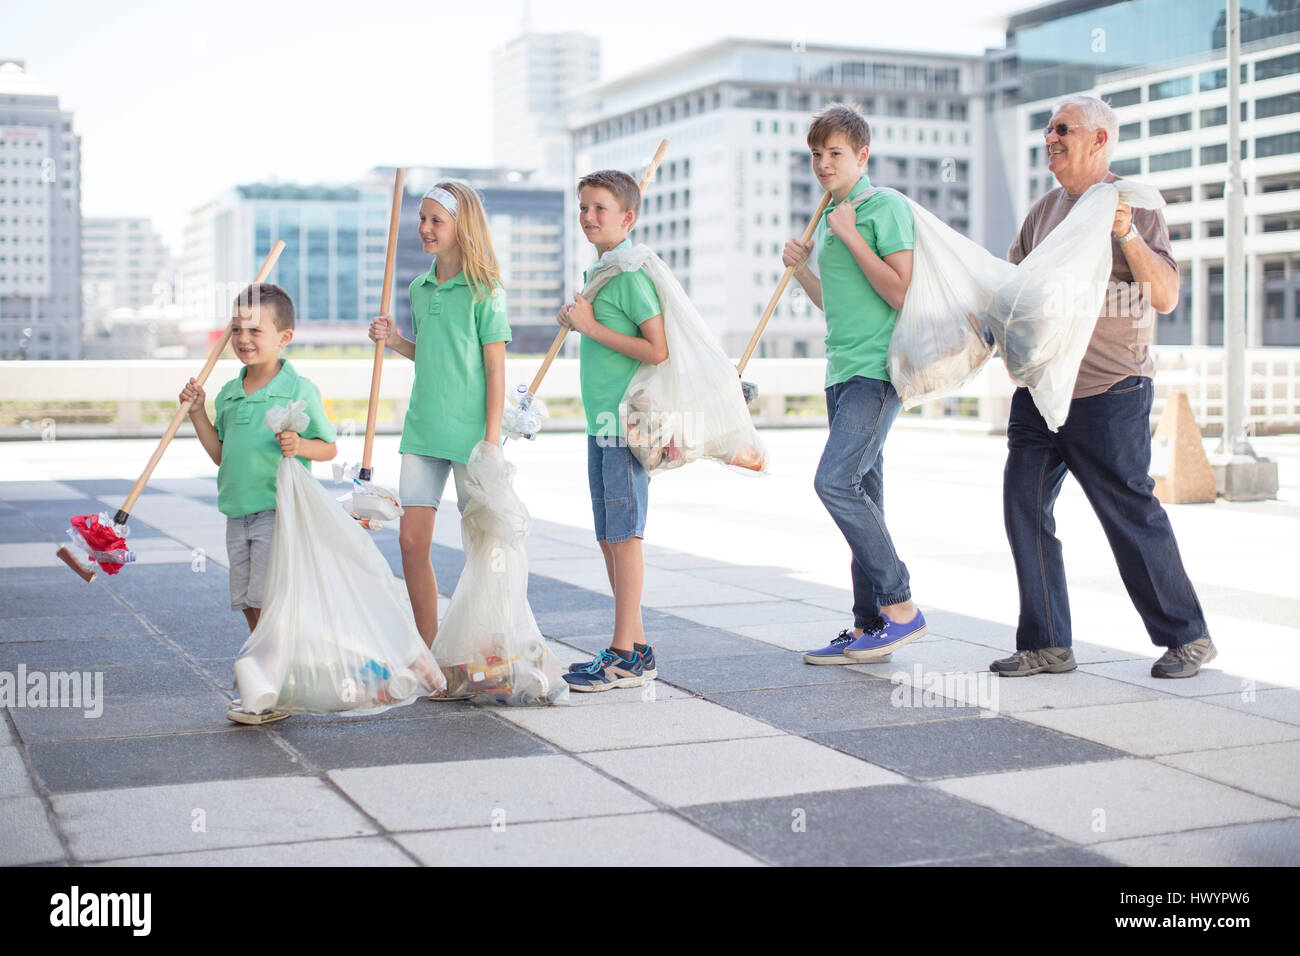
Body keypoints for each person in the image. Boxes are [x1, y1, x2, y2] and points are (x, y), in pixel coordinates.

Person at [992, 94, 1216, 679]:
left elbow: (1165, 295)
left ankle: (1186, 637)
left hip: (1109, 387)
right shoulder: (1042, 211)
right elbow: (1014, 289)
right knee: (1023, 506)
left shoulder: (1132, 203)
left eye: (1064, 130)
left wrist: (1128, 238)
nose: (1051, 139)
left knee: (1126, 510)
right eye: (1048, 130)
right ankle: (1046, 642)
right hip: (1042, 391)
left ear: (1099, 140)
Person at [782, 103, 927, 667]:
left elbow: (900, 290)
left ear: (862, 156)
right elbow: (834, 306)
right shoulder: (833, 218)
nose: (823, 164)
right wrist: (802, 270)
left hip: (877, 372)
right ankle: (869, 627)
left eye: (834, 154)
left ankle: (901, 607)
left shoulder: (880, 207)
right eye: (816, 155)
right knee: (865, 497)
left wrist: (850, 232)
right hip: (840, 373)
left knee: (834, 483)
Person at [368, 182, 510, 674]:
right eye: (421, 219)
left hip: (472, 439)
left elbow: (495, 370)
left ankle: (483, 647)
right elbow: (427, 354)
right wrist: (395, 341)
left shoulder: (485, 290)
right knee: (411, 542)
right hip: (423, 432)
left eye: (436, 221)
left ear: (461, 226)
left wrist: (492, 441)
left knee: (484, 549)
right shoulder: (417, 286)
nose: (425, 229)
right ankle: (429, 652)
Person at [180, 283, 338, 724]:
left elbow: (328, 447)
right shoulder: (229, 393)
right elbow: (219, 453)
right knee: (248, 600)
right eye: (236, 329)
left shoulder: (298, 388)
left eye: (255, 330)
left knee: (268, 598)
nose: (243, 339)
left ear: (284, 337)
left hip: (276, 509)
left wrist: (300, 444)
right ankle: (274, 669)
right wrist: (197, 412)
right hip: (237, 510)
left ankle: (269, 682)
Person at [558, 169, 668, 692]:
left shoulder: (630, 276)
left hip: (626, 426)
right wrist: (582, 318)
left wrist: (590, 327)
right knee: (608, 537)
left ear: (628, 218)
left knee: (625, 538)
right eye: (583, 207)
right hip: (599, 423)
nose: (588, 217)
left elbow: (657, 348)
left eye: (600, 208)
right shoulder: (601, 274)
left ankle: (622, 652)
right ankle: (637, 649)